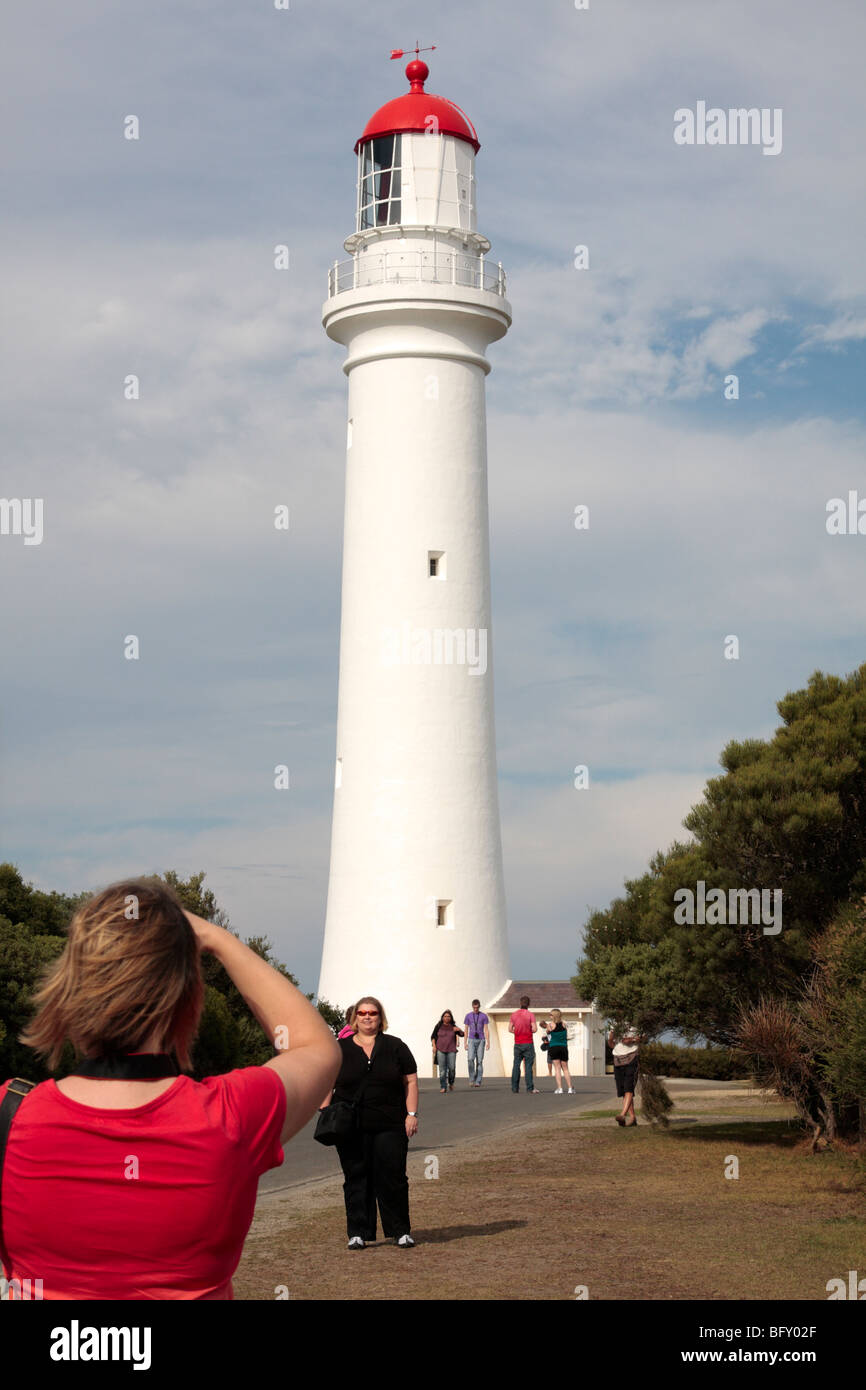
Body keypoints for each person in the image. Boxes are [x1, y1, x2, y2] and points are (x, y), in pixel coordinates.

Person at [0, 877, 340, 1300]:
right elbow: (315, 1045)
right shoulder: (232, 1114)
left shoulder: (10, 1116)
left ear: (70, 986)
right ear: (187, 996)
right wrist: (217, 939)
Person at [322, 996, 418, 1249]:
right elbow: (327, 1080)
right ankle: (358, 1232)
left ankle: (400, 1231)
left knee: (393, 1176)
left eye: (372, 1013)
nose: (367, 1017)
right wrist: (324, 1110)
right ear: (355, 1017)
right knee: (356, 1176)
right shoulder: (339, 1048)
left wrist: (411, 1114)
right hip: (350, 1126)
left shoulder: (396, 1047)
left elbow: (410, 1081)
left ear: (380, 1017)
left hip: (390, 1123)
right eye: (362, 1013)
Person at [609, 1022, 640, 1126]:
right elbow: (611, 1042)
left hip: (632, 1057)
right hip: (618, 1059)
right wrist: (611, 1040)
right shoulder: (614, 1023)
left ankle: (622, 1114)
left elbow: (644, 1038)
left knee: (629, 1087)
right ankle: (632, 1118)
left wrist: (632, 1040)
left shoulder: (636, 1022)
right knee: (623, 1090)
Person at [539, 1008, 574, 1094]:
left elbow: (546, 1033)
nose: (549, 1016)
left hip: (554, 1047)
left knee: (557, 1068)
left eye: (551, 1015)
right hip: (563, 1047)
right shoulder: (564, 1024)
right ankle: (570, 1088)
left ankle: (560, 1088)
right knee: (565, 1068)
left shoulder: (550, 1025)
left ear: (553, 1016)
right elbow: (567, 1034)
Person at [509, 994, 539, 1093]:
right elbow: (534, 1029)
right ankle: (529, 1088)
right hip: (528, 1042)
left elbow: (510, 1029)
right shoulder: (530, 1015)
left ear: (520, 1003)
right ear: (528, 1004)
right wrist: (528, 1030)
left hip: (517, 1043)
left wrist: (517, 1031)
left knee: (516, 1065)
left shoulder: (514, 1014)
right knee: (528, 1066)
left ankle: (514, 1088)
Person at [430, 1010, 464, 1092]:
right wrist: (434, 1046)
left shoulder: (453, 1026)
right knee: (442, 1070)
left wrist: (458, 1029)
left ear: (451, 1018)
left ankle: (451, 1083)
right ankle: (443, 1086)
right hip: (440, 1050)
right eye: (445, 1016)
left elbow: (462, 1034)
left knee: (452, 1068)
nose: (447, 1018)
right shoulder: (438, 1026)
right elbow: (433, 1037)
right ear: (442, 1018)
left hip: (451, 1050)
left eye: (448, 1016)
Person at [463, 999, 490, 1087]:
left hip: (481, 1040)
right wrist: (465, 1042)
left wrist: (488, 1042)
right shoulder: (468, 1016)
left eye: (477, 1007)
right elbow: (466, 1029)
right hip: (471, 1039)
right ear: (472, 1007)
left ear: (479, 1007)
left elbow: (486, 1029)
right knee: (470, 1059)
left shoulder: (484, 1016)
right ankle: (471, 1078)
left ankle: (478, 1080)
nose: (476, 1009)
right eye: (474, 1007)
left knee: (480, 1061)